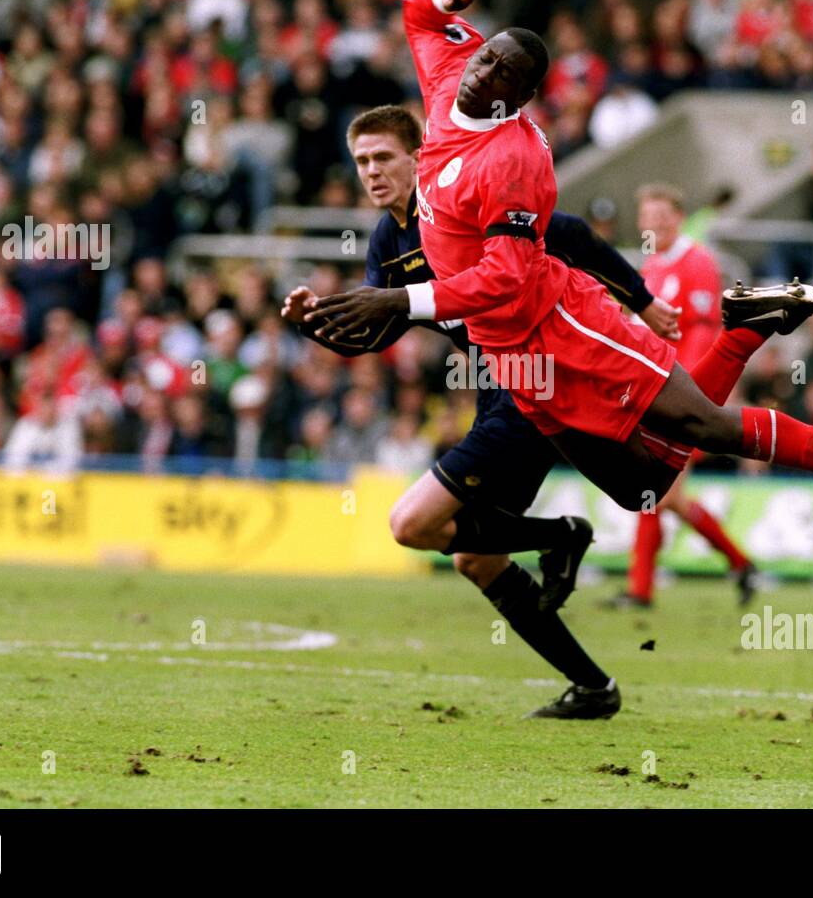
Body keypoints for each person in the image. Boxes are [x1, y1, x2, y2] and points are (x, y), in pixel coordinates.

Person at [307, 0, 813, 590]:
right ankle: (741, 335)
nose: (483, 70)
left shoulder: (514, 161)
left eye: (502, 70)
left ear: (519, 95)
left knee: (706, 428)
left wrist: (401, 298)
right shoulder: (449, 77)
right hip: (512, 357)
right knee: (641, 487)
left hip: (561, 326)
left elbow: (504, 278)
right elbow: (419, 19)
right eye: (485, 55)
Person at [284, 103, 681, 719]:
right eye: (361, 161)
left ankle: (561, 537)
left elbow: (569, 232)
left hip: (535, 380)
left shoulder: (460, 204)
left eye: (384, 157)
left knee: (411, 525)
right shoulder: (389, 242)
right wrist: (315, 327)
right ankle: (594, 687)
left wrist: (644, 300)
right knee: (475, 556)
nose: (371, 171)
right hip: (500, 390)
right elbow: (379, 335)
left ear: (419, 157)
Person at [610, 183, 761, 610]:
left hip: (679, 394)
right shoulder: (653, 266)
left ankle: (641, 589)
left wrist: (686, 389)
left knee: (656, 492)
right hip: (657, 390)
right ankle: (740, 564)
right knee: (665, 495)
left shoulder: (697, 262)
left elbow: (704, 329)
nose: (653, 224)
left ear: (678, 217)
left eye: (661, 217)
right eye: (647, 218)